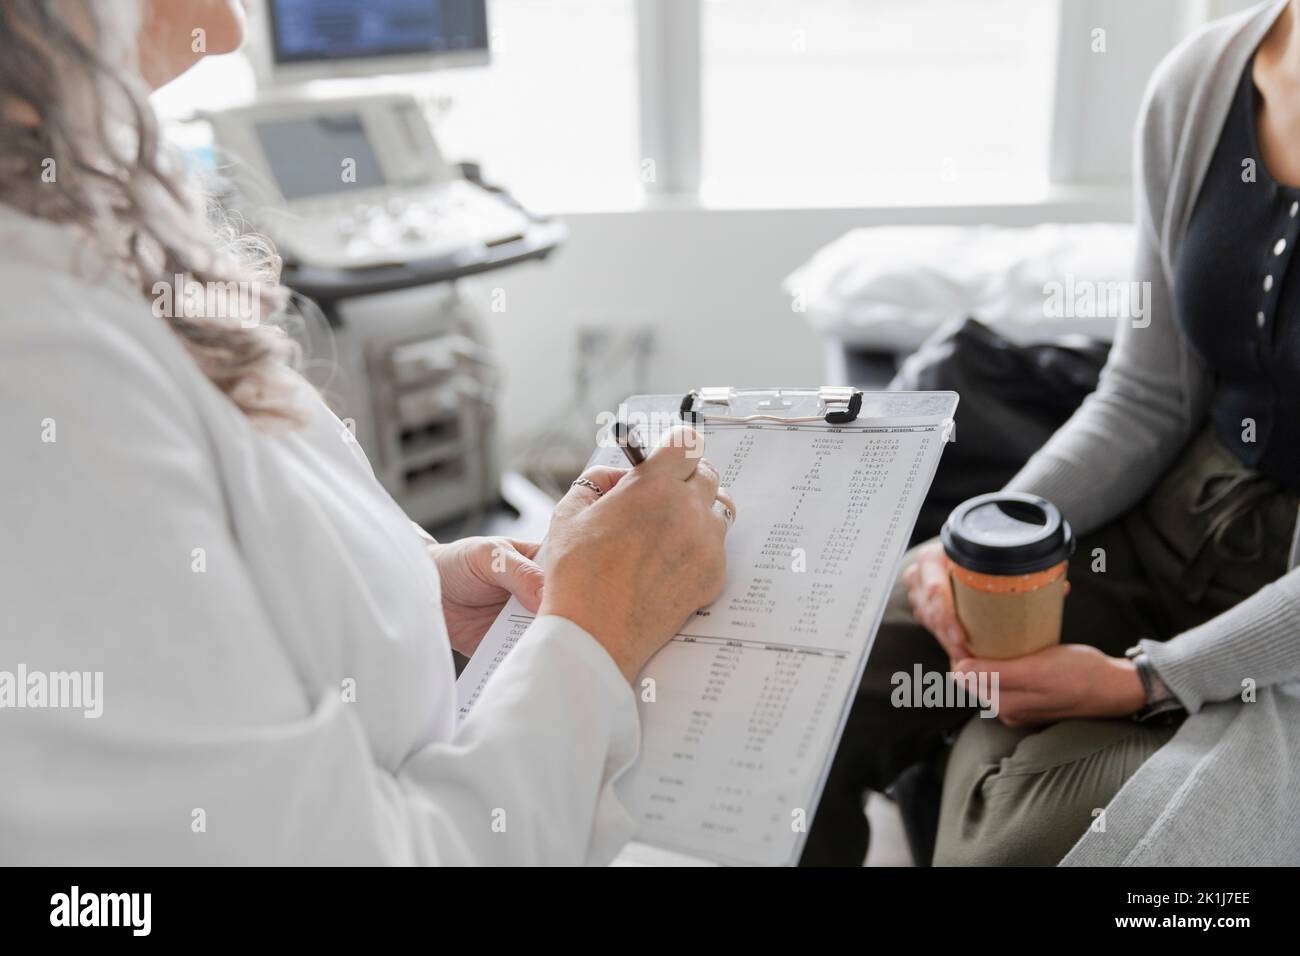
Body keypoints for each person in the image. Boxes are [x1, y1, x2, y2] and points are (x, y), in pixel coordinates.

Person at [0, 0, 735, 864]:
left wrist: (406, 594)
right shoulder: (37, 362)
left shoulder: (80, 208)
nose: (236, 22)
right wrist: (595, 630)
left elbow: (220, 545)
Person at [804, 0, 1300, 867]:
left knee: (1013, 840)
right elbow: (1147, 396)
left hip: (1279, 620)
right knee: (822, 675)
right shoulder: (1201, 83)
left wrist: (1144, 679)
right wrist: (982, 536)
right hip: (1166, 525)